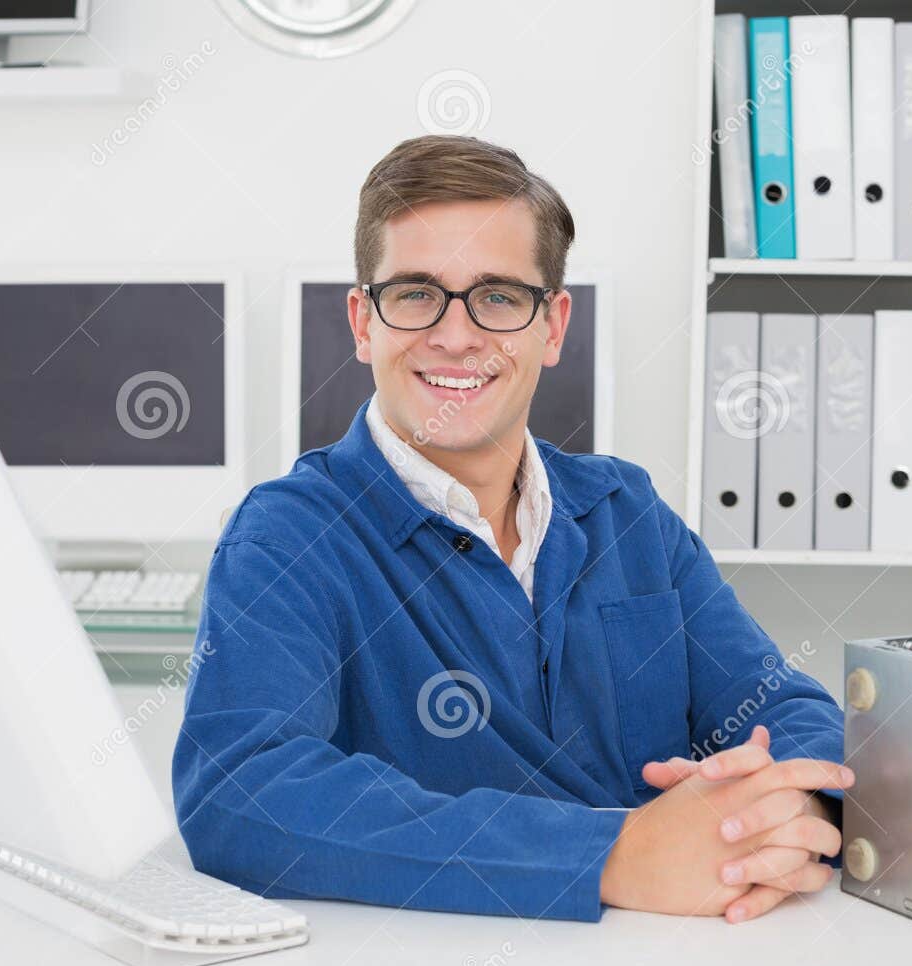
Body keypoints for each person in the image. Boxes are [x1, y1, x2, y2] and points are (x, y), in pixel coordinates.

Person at [173, 135, 851, 925]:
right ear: (363, 322)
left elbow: (789, 711)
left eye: (497, 296)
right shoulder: (289, 540)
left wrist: (778, 814)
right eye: (416, 293)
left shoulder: (627, 515)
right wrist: (613, 853)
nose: (456, 336)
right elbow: (241, 795)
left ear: (553, 325)